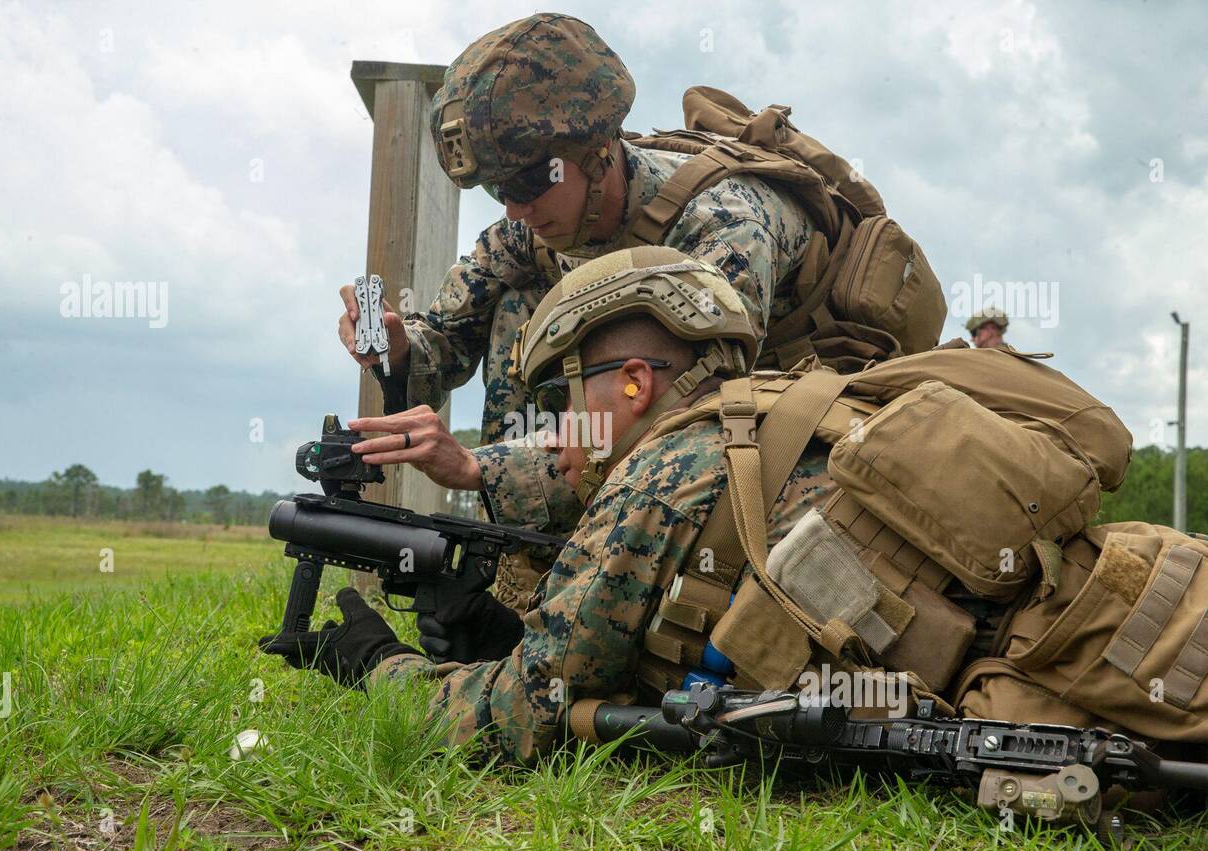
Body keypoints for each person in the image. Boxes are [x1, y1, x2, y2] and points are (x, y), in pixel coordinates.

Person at [268, 247, 836, 763]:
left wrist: (377, 663)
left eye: (558, 401)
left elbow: (517, 717)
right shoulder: (759, 430)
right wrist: (505, 638)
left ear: (635, 382)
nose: (555, 432)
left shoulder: (658, 477)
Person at [338, 12, 815, 550]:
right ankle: (520, 551)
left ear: (599, 153)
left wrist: (478, 467)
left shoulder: (722, 227)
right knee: (518, 304)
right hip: (654, 435)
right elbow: (446, 334)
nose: (516, 208)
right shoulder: (533, 229)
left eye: (527, 181)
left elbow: (683, 420)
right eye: (497, 190)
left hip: (770, 437)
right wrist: (401, 349)